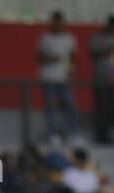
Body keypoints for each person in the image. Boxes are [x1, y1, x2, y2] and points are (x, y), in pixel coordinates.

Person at [37, 11, 77, 143]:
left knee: (69, 105)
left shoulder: (69, 38)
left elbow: (73, 59)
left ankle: (70, 133)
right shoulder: (45, 38)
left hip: (63, 78)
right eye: (56, 23)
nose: (58, 25)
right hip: (48, 78)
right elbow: (39, 58)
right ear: (52, 23)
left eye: (60, 23)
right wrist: (51, 58)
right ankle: (52, 135)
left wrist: (70, 71)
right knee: (50, 107)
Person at [87, 16, 114, 144]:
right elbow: (93, 53)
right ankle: (99, 135)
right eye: (112, 26)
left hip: (112, 79)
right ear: (108, 25)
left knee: (110, 107)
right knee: (100, 107)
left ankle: (108, 135)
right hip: (99, 77)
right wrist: (109, 50)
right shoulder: (97, 37)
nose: (113, 29)